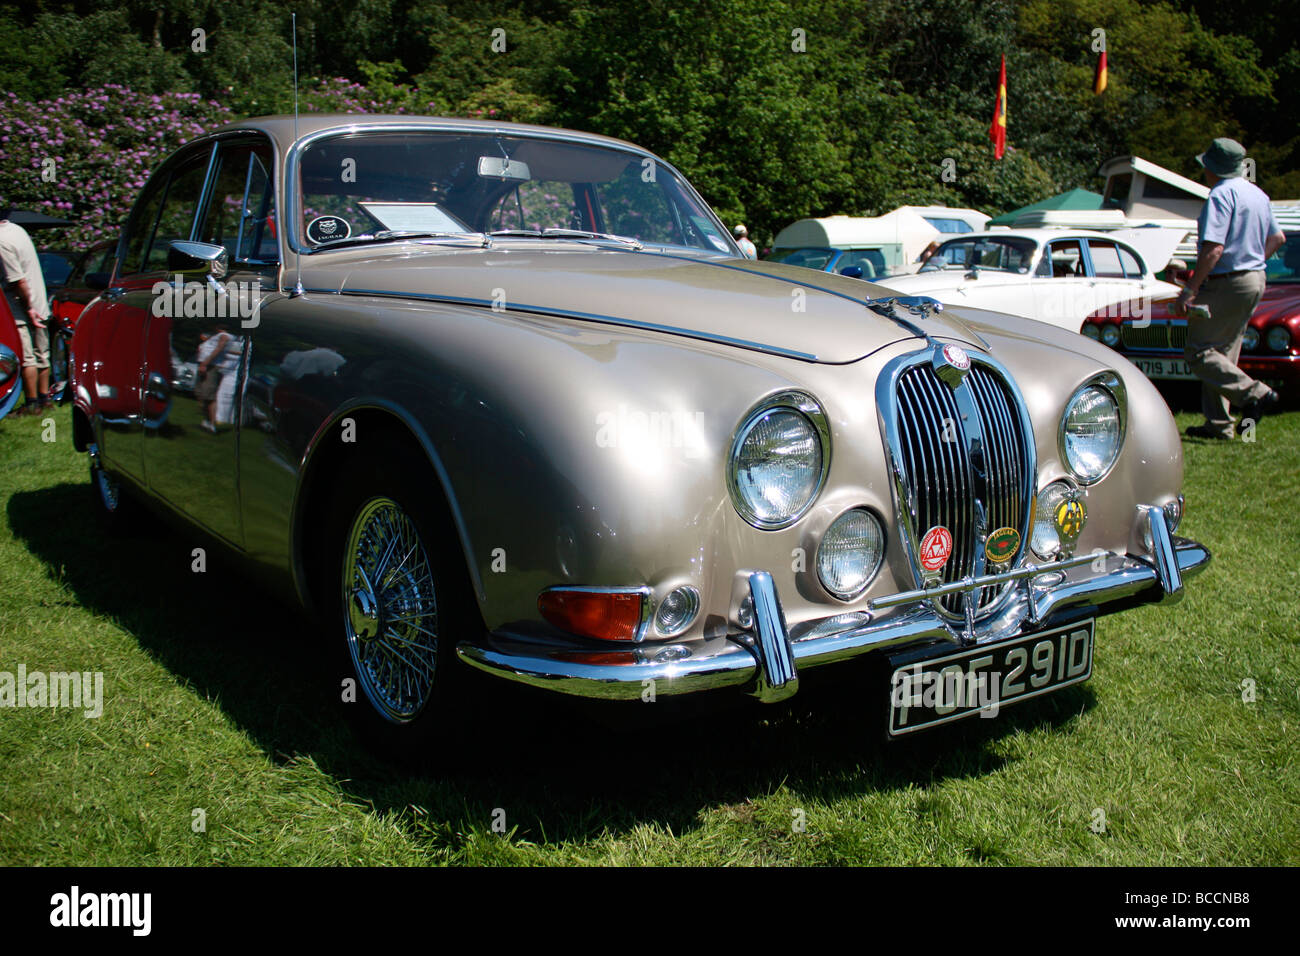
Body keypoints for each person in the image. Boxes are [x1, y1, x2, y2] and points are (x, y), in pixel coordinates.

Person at [1175, 138, 1286, 439]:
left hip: (1227, 281)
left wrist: (1190, 289)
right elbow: (1278, 239)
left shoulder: (1220, 196)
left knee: (1198, 353)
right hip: (1254, 280)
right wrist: (1251, 264)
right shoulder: (1258, 195)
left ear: (1212, 169)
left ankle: (1257, 394)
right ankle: (1219, 425)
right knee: (1223, 352)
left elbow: (1213, 249)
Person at [0, 207, 52, 417]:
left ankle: (31, 404)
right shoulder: (18, 230)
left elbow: (18, 280)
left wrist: (28, 308)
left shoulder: (1, 241)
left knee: (27, 356)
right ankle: (44, 397)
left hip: (22, 306)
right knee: (43, 353)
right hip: (40, 300)